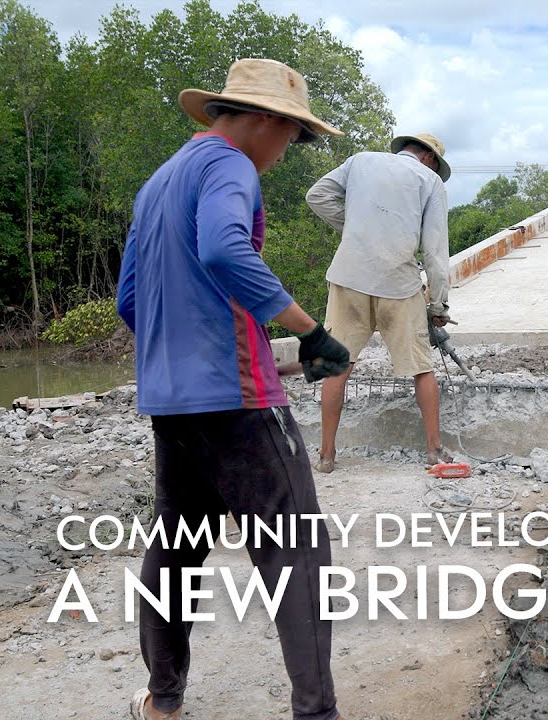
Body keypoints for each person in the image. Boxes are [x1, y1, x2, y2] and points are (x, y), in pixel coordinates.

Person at [116, 58, 350, 720]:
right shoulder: (230, 166)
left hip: (171, 402)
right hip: (240, 399)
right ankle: (317, 713)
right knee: (297, 552)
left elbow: (130, 299)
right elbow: (223, 250)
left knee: (175, 549)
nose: (289, 152)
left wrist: (179, 355)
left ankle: (162, 702)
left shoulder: (158, 182)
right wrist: (308, 331)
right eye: (294, 138)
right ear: (267, 120)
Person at [305, 131, 454, 471]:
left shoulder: (361, 161)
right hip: (398, 284)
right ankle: (434, 451)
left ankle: (326, 456)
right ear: (430, 158)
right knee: (421, 367)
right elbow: (434, 250)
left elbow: (317, 196)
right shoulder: (429, 181)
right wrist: (438, 304)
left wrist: (354, 229)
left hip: (348, 277)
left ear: (405, 148)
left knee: (336, 367)